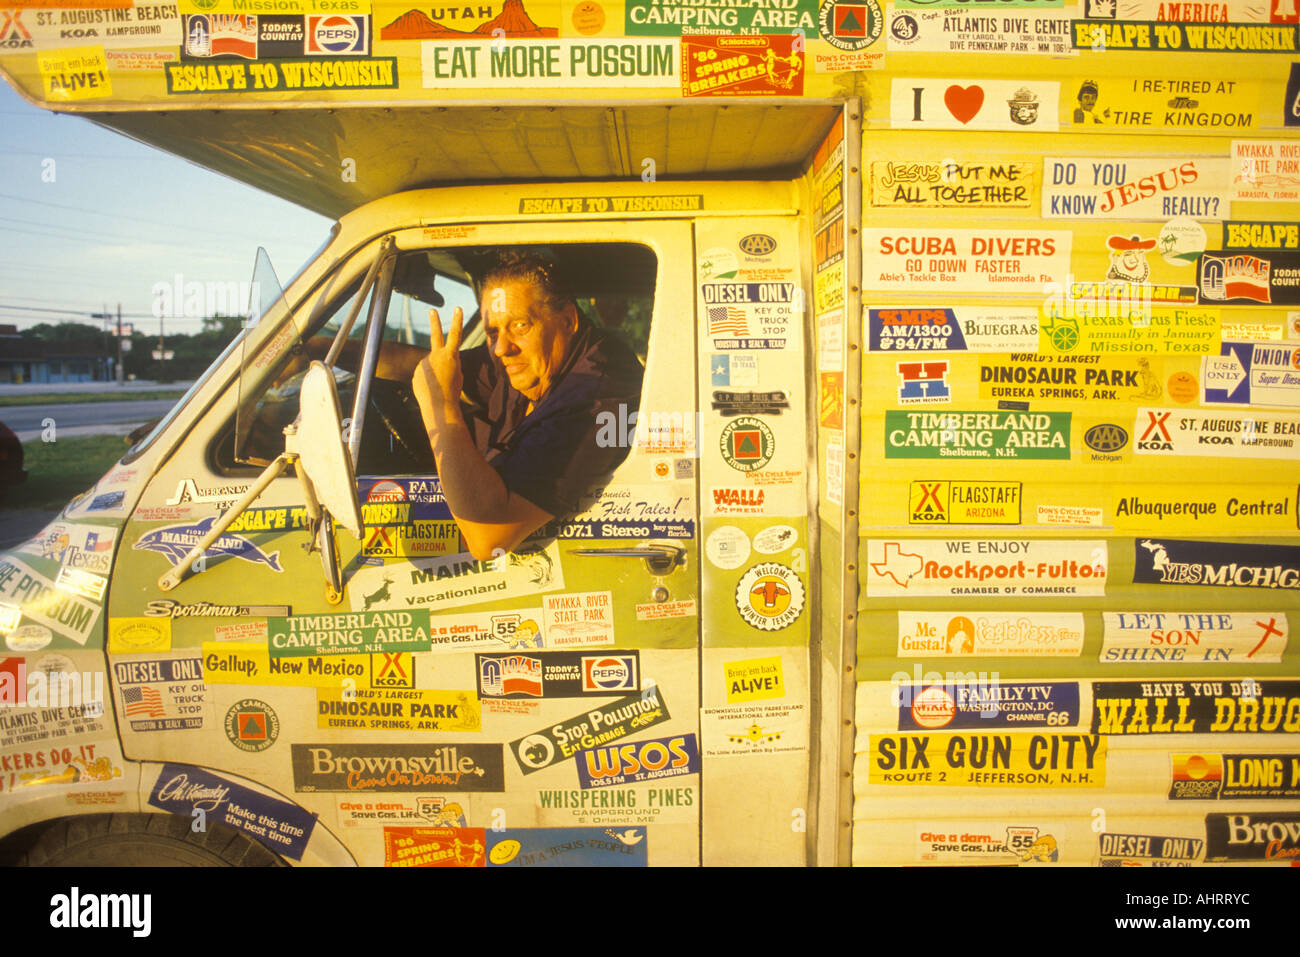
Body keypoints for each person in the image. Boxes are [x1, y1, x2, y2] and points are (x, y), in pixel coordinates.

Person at [411, 250, 643, 561]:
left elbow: (487, 541)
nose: (502, 349)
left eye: (521, 325)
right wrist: (342, 349)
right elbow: (433, 367)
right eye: (493, 332)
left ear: (567, 320)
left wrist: (440, 406)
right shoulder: (532, 360)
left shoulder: (596, 401)